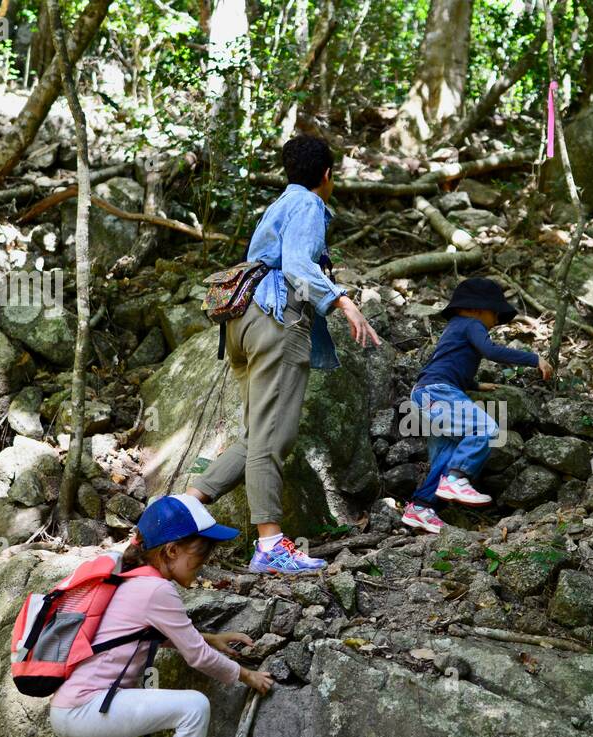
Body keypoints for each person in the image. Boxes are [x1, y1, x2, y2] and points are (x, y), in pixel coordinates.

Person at [186, 134, 382, 574]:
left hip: (239, 323)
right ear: (327, 175)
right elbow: (296, 265)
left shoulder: (278, 205)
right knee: (273, 439)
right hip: (277, 320)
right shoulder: (310, 205)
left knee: (261, 435)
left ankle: (189, 503)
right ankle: (270, 544)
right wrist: (343, 300)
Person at [48, 493, 274, 737]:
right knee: (193, 708)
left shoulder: (132, 581)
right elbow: (194, 656)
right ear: (171, 551)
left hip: (72, 712)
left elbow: (145, 636)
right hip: (89, 709)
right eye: (199, 554)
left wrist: (210, 637)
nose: (205, 562)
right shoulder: (156, 590)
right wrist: (246, 675)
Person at [402, 277, 554, 533]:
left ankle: (421, 507)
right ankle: (457, 478)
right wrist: (534, 358)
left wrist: (473, 385)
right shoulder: (472, 324)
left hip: (425, 394)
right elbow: (491, 352)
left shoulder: (455, 327)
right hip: (439, 392)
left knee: (447, 454)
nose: (497, 319)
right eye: (495, 312)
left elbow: (446, 363)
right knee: (484, 428)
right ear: (476, 308)